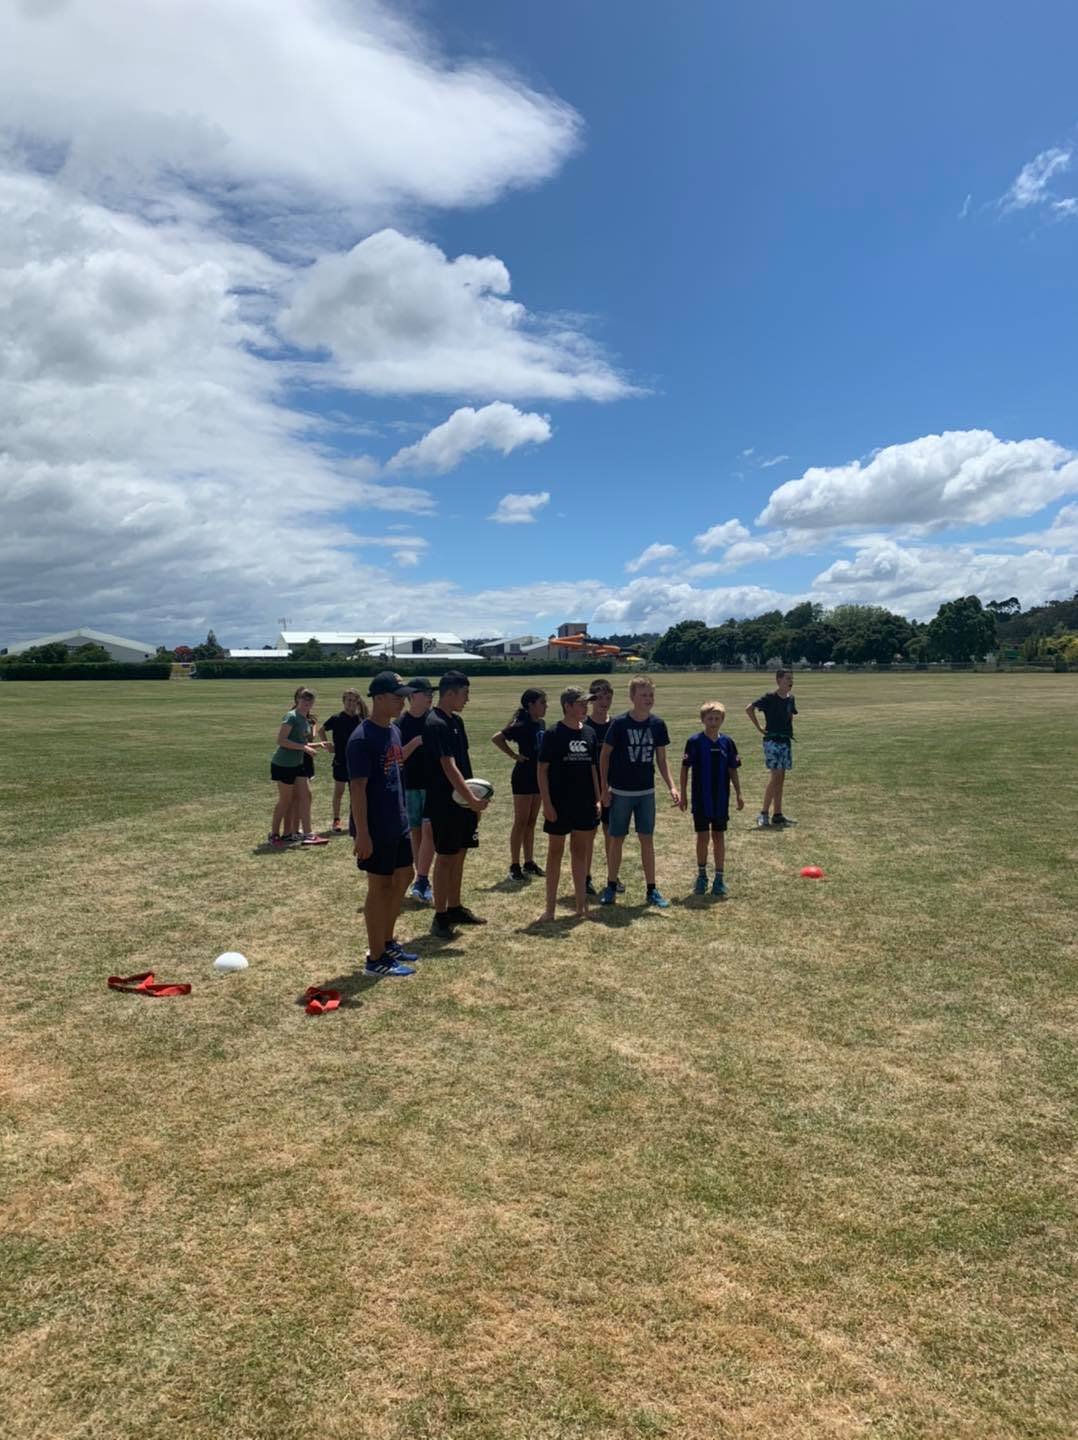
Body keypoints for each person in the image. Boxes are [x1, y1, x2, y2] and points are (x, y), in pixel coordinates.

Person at [347, 672, 420, 977]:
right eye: (396, 697)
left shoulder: (393, 731)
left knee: (404, 876)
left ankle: (387, 940)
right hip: (375, 827)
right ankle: (375, 959)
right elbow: (358, 789)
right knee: (379, 887)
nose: (402, 701)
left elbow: (395, 773)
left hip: (397, 821)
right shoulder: (362, 739)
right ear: (378, 699)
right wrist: (363, 834)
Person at [598, 676, 680, 907]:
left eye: (651, 695)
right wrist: (604, 788)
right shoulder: (620, 723)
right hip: (621, 793)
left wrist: (672, 786)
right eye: (643, 695)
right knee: (616, 840)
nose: (648, 699)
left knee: (647, 840)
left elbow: (662, 760)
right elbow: (604, 755)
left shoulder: (658, 725)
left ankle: (652, 889)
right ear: (632, 697)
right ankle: (611, 886)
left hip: (646, 793)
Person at [422, 670, 489, 939]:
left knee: (460, 854)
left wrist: (474, 798)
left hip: (463, 802)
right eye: (465, 694)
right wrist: (471, 799)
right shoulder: (435, 723)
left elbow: (463, 764)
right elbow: (448, 767)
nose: (467, 699)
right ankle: (440, 916)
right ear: (450, 693)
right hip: (444, 803)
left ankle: (455, 907)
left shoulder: (456, 721)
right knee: (446, 857)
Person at [537, 687, 601, 921]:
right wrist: (547, 803)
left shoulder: (591, 734)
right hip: (559, 803)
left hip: (584, 803)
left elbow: (593, 769)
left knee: (580, 852)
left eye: (587, 703)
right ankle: (550, 909)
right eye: (582, 703)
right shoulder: (554, 733)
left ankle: (580, 906)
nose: (586, 707)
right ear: (568, 706)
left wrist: (597, 798)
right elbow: (542, 770)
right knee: (555, 852)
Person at [679, 702, 744, 896]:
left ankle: (719, 878)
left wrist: (739, 793)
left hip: (720, 800)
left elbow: (733, 769)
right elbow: (685, 768)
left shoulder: (728, 743)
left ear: (722, 720)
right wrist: (683, 794)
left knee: (718, 836)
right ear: (703, 720)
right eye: (710, 718)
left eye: (717, 718)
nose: (713, 722)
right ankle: (701, 876)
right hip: (701, 799)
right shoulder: (694, 742)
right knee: (702, 837)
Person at [491, 688, 547, 881]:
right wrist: (513, 755)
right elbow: (497, 738)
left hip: (538, 776)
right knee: (521, 821)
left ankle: (529, 862)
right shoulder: (521, 724)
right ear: (531, 705)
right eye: (542, 703)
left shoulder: (541, 723)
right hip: (523, 776)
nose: (545, 706)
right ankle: (514, 865)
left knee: (531, 822)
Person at [268, 688, 327, 847]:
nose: (307, 703)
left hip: (298, 764)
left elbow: (303, 743)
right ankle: (274, 834)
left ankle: (308, 834)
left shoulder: (305, 719)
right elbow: (281, 740)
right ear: (298, 700)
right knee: (285, 800)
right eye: (304, 699)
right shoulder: (292, 716)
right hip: (283, 764)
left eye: (310, 700)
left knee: (306, 796)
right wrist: (304, 748)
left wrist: (318, 745)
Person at [398, 677, 436, 903]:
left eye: (431, 693)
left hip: (433, 784)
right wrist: (416, 742)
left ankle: (423, 878)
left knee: (430, 830)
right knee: (416, 832)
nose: (430, 696)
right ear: (412, 697)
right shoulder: (401, 724)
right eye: (425, 693)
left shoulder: (434, 720)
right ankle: (420, 877)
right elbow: (398, 756)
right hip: (411, 784)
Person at [745, 669, 798, 828]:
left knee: (781, 779)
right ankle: (763, 813)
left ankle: (778, 815)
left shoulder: (791, 699)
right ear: (778, 680)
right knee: (775, 778)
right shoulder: (770, 698)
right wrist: (759, 727)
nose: (791, 682)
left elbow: (789, 718)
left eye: (792, 679)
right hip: (772, 741)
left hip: (785, 742)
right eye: (788, 678)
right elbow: (749, 708)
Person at [584, 677, 616, 897]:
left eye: (608, 696)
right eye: (599, 697)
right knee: (589, 834)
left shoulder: (616, 725)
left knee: (611, 834)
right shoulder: (585, 726)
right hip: (590, 789)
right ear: (591, 699)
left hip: (614, 789)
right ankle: (585, 878)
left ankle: (612, 878)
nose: (604, 701)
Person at [319, 688, 367, 832]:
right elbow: (321, 730)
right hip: (340, 761)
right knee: (339, 792)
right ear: (343, 701)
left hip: (357, 762)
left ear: (357, 702)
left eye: (354, 700)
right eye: (348, 700)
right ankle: (336, 820)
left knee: (356, 794)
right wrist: (328, 746)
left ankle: (356, 820)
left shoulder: (361, 719)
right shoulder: (337, 718)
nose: (351, 703)